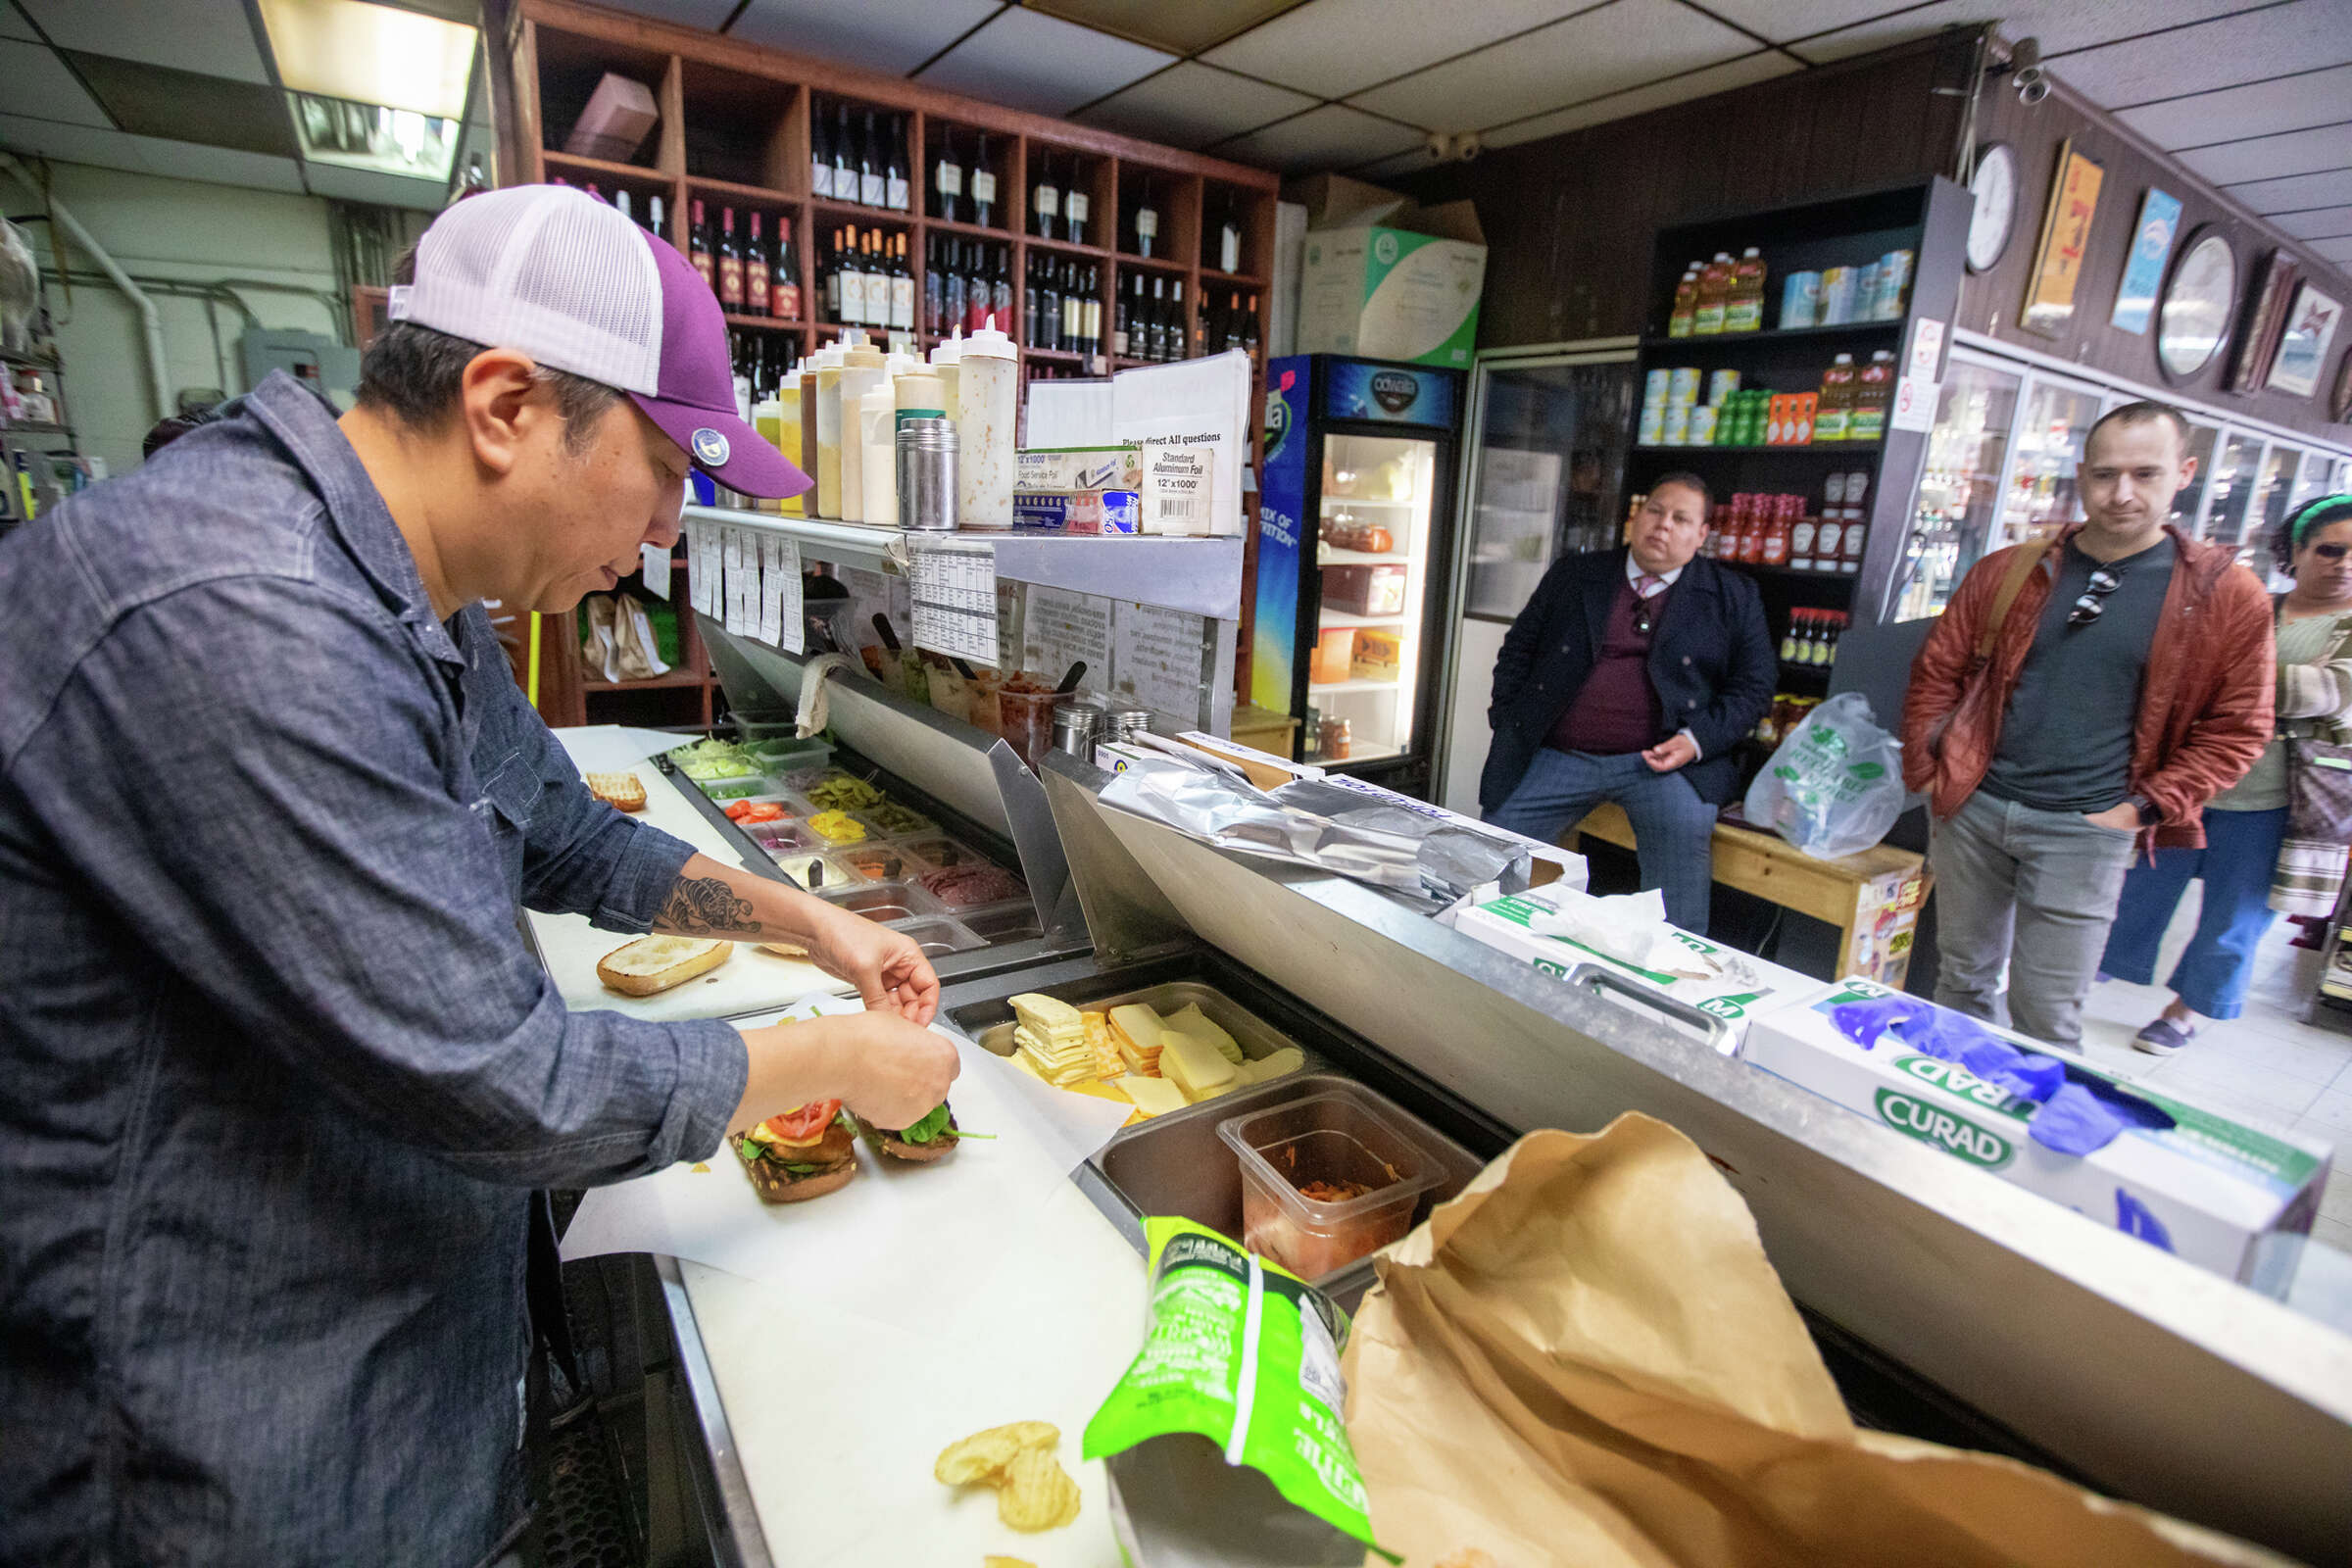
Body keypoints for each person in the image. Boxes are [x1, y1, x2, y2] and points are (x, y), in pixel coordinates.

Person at [0, 185, 959, 1565]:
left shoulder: (411, 594)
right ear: (506, 407)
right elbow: (506, 1083)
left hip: (383, 1352)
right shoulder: (250, 614)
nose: (666, 530)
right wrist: (837, 1060)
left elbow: (567, 832)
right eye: (664, 471)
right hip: (217, 1449)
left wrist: (810, 924)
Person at [1900, 400, 2273, 1050]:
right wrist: (1932, 772)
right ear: (2081, 474)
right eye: (2104, 474)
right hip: (1974, 808)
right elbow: (1938, 671)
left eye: (2145, 474)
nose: (2121, 493)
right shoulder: (2011, 571)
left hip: (2088, 825)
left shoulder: (2224, 595)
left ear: (2184, 474)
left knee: (2047, 1013)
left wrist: (2142, 809)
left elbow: (2239, 729)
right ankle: (1947, 1104)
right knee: (1959, 982)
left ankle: (2031, 1116)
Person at [2101, 493, 2352, 1053]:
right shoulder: (2253, 602)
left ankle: (2186, 1012)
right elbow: (2177, 661)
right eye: (2330, 549)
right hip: (2191, 781)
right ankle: (2094, 967)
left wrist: (2225, 678)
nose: (2344, 564)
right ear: (2297, 552)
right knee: (2137, 886)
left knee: (2234, 917)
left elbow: (2328, 692)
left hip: (2278, 802)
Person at [1481, 472, 1775, 932]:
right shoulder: (1576, 575)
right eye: (1655, 511)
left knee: (1680, 878)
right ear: (1635, 518)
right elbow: (1519, 650)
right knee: (1491, 854)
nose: (1663, 525)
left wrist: (1695, 742)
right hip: (1560, 754)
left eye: (1681, 519)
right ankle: (1481, 938)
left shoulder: (1732, 595)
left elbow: (1755, 688)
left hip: (1662, 766)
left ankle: (1671, 965)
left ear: (1701, 535)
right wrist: (1508, 719)